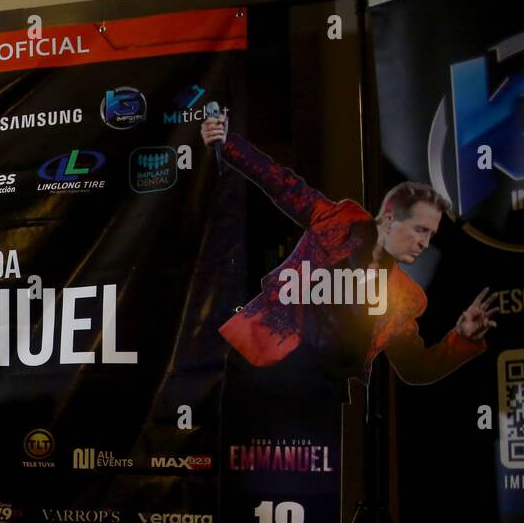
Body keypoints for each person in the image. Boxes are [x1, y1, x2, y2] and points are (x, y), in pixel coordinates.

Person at [200, 112, 497, 399]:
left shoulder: (404, 298)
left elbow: (415, 369)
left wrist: (463, 337)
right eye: (420, 230)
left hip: (322, 399)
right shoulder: (340, 221)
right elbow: (279, 182)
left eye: (430, 235)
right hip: (259, 370)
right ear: (390, 220)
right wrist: (227, 144)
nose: (424, 243)